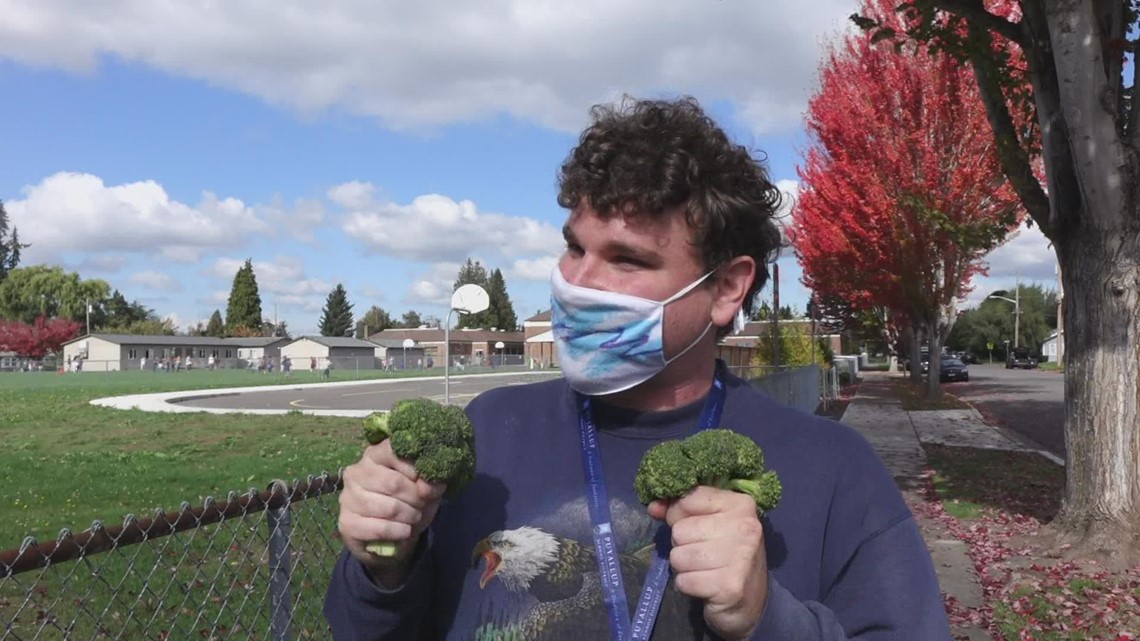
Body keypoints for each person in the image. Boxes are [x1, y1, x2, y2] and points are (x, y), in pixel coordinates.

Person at [324, 97, 952, 640]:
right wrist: (384, 564)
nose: (577, 283)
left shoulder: (834, 471)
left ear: (728, 288)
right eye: (575, 247)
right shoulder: (487, 435)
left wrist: (766, 617)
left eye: (626, 260)